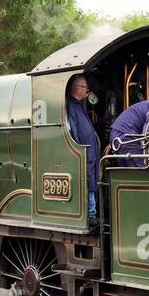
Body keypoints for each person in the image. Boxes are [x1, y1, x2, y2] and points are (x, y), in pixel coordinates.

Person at [65, 74, 101, 218]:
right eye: (85, 87)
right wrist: (81, 152)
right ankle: (90, 215)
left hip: (90, 155)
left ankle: (92, 213)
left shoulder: (78, 106)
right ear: (78, 88)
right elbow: (73, 131)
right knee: (88, 185)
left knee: (92, 183)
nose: (87, 90)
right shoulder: (71, 107)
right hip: (84, 156)